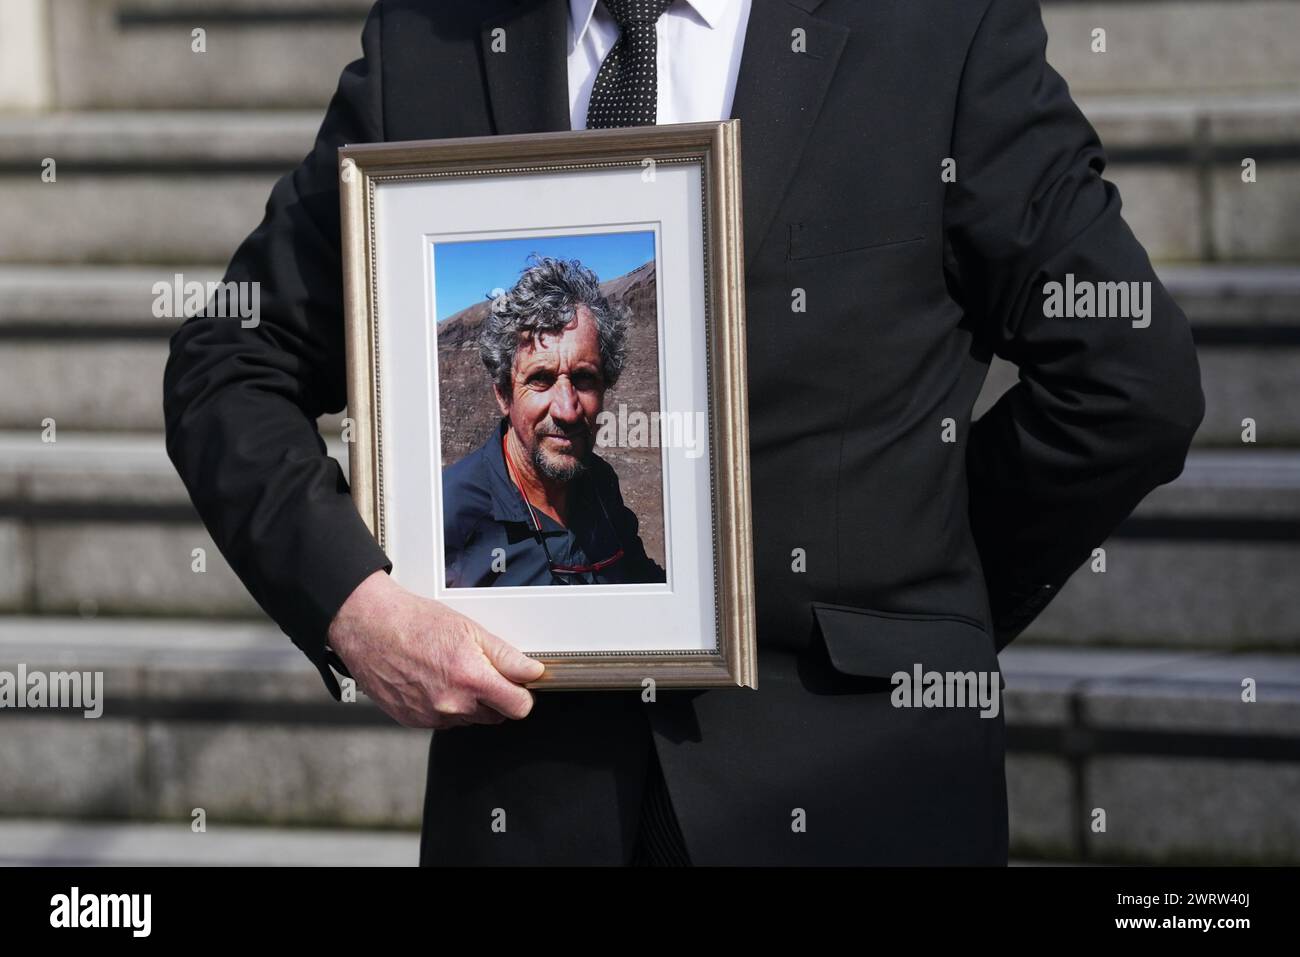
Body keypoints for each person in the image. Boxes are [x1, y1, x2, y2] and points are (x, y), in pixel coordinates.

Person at [163, 0, 1204, 865]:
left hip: (854, 793)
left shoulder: (936, 27)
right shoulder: (430, 37)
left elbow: (1129, 383)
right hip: (530, 806)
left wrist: (924, 581)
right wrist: (354, 606)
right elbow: (229, 364)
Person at [442, 255, 666, 587]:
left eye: (584, 378)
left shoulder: (600, 482)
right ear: (504, 395)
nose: (567, 409)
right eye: (541, 379)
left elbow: (645, 585)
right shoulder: (450, 515)